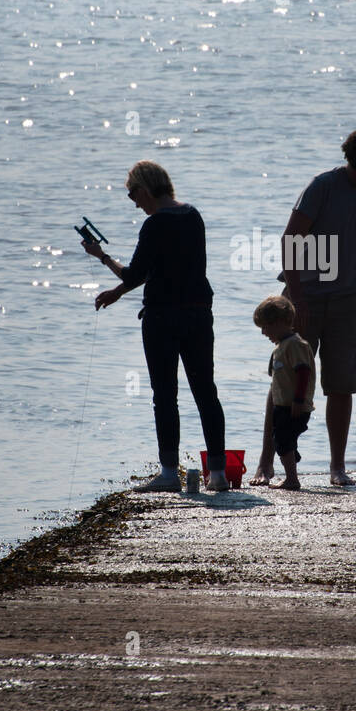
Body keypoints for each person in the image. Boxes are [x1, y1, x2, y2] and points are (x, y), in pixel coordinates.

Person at [250, 125, 356, 489]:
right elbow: (290, 240)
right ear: (348, 161)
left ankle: (337, 466)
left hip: (349, 300)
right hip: (304, 294)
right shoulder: (322, 186)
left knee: (342, 383)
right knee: (285, 380)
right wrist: (296, 297)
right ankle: (266, 462)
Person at [82, 160, 228, 493]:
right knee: (206, 392)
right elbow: (163, 269)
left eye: (133, 194)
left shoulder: (154, 225)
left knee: (165, 395)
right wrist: (118, 294)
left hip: (163, 318)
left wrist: (101, 256)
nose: (134, 202)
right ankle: (217, 474)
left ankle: (167, 473)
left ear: (145, 189)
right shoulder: (193, 216)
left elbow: (136, 273)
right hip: (199, 313)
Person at [253, 295, 316, 491]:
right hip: (282, 405)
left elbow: (303, 372)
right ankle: (292, 466)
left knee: (283, 441)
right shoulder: (280, 347)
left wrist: (298, 399)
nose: (264, 333)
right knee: (283, 440)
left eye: (266, 327)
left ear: (280, 323)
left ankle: (292, 479)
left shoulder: (295, 345)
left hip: (293, 406)